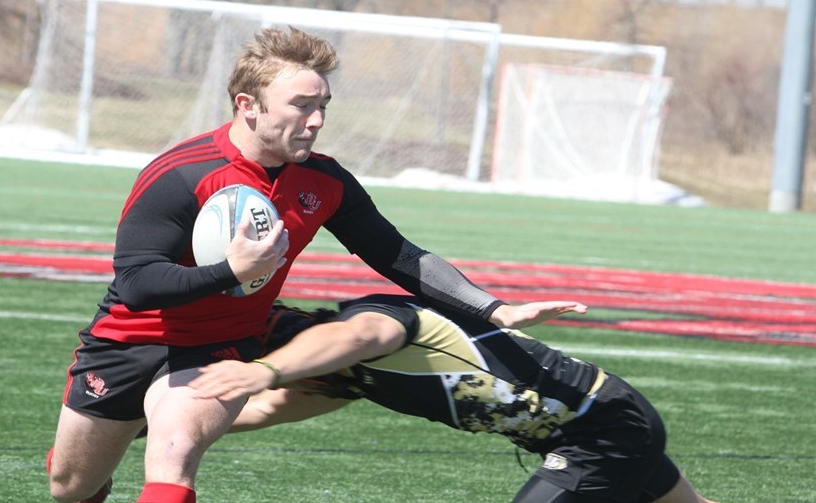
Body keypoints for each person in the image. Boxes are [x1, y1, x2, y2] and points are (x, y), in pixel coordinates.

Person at [46, 26, 582, 503]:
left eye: (323, 104)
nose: (318, 120)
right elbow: (137, 285)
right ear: (247, 104)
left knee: (176, 451)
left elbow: (395, 253)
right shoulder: (181, 174)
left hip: (220, 345)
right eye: (302, 105)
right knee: (70, 487)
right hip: (127, 342)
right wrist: (230, 271)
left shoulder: (324, 179)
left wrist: (494, 309)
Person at [191, 294, 719, 503]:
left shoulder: (368, 321)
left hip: (599, 427)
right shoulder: (345, 379)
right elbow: (261, 411)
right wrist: (147, 425)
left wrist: (263, 369)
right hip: (608, 423)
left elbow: (355, 338)